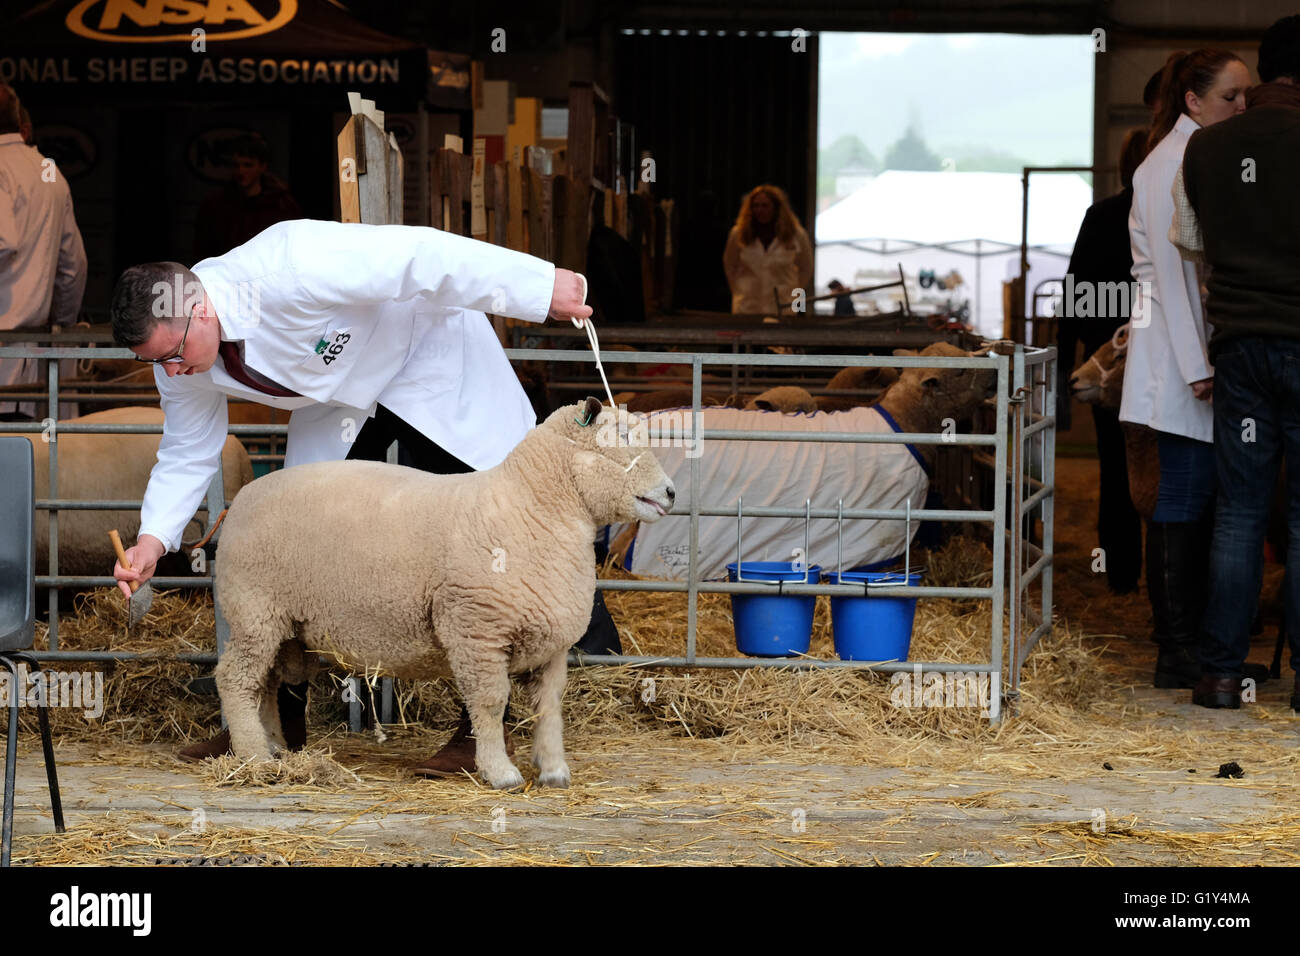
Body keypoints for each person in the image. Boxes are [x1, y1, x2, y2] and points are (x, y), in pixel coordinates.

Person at [108, 219, 607, 773]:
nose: (171, 370)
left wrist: (539, 287)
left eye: (173, 353)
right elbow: (187, 448)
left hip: (428, 356)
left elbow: (418, 253)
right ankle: (271, 724)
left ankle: (479, 737)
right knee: (292, 545)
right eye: (156, 362)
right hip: (335, 398)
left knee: (496, 530)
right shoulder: (177, 357)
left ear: (199, 309)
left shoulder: (291, 264)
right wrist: (153, 540)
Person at [1177, 16, 1300, 711]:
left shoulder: (1209, 149)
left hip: (1241, 346)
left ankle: (1221, 672)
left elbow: (1190, 245)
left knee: (1240, 511)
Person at [1121, 49, 1251, 689]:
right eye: (1231, 96)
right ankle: (1176, 650)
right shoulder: (1170, 163)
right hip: (1173, 356)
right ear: (1193, 101)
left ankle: (1189, 644)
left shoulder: (1190, 155)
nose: (1242, 108)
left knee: (1194, 498)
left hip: (1183, 348)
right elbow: (1172, 278)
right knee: (1180, 498)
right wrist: (1199, 367)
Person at [1057, 129, 1148, 596]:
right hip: (1153, 358)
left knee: (1116, 465)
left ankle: (1121, 572)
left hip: (1106, 363)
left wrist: (1062, 378)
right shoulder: (1166, 213)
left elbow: (1073, 295)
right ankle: (1168, 576)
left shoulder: (1103, 215)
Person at [0, 83, 86, 421]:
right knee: (26, 456)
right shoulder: (48, 171)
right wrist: (61, 326)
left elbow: (4, 241)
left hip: (6, 342)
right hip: (33, 349)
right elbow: (73, 266)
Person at [194, 133, 303, 261]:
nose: (241, 171)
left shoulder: (282, 204)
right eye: (236, 165)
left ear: (262, 166)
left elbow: (293, 247)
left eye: (248, 165)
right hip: (226, 275)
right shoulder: (215, 205)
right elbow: (202, 248)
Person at [722, 184, 813, 314]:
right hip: (747, 307)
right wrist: (740, 291)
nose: (760, 210)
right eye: (756, 206)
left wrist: (793, 294)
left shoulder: (796, 234)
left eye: (765, 205)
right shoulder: (738, 234)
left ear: (776, 208)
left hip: (784, 308)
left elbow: (806, 268)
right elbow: (730, 266)